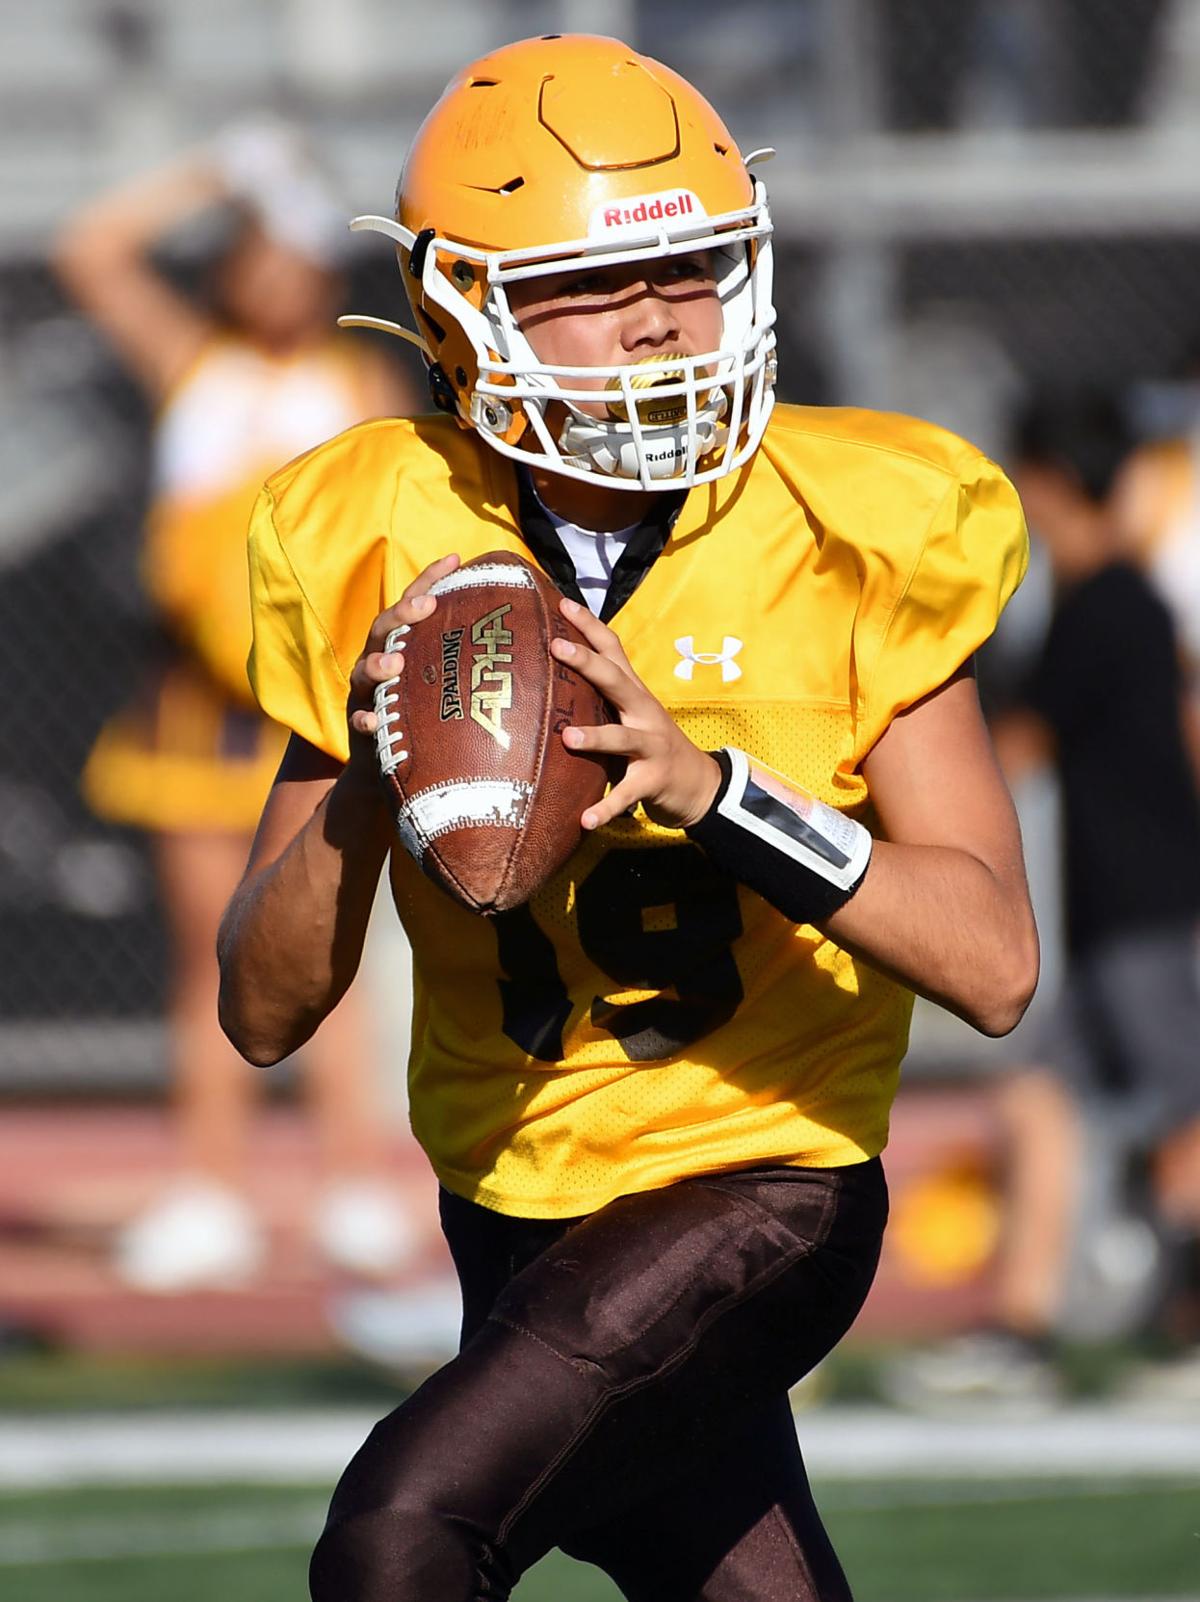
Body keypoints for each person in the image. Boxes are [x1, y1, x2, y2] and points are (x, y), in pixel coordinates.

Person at [218, 35, 1037, 1601]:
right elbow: (260, 1009)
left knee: (403, 1535)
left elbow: (994, 958)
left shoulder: (852, 526)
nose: (661, 315)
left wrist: (715, 789)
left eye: (695, 268)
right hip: (513, 1199)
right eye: (596, 285)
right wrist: (376, 782)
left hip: (760, 1179)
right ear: (466, 310)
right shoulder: (377, 528)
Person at [53, 124, 418, 1292]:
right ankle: (211, 1187)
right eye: (258, 254)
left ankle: (353, 1181)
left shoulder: (362, 379)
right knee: (208, 959)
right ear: (233, 263)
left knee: (333, 948)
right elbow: (91, 250)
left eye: (299, 258)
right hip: (198, 708)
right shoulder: (192, 363)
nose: (279, 280)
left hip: (318, 705)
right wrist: (217, 170)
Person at [892, 393, 1200, 1410]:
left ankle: (1186, 1328)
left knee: (1186, 1125)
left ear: (1061, 486)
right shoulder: (1112, 603)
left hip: (1154, 921)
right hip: (1115, 920)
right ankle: (1022, 1334)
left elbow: (1015, 745)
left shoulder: (1110, 602)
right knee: (1038, 1103)